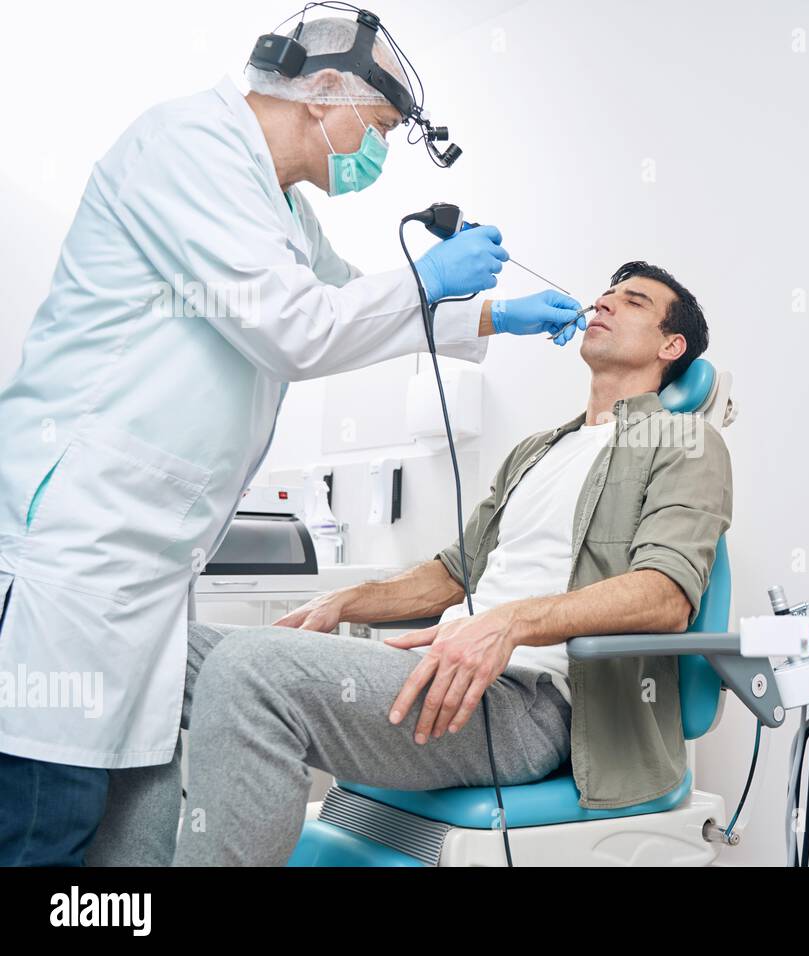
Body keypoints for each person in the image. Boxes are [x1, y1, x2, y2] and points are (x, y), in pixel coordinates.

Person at [0, 15, 585, 867]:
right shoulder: (189, 146)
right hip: (77, 550)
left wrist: (495, 313)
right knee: (44, 829)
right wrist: (429, 280)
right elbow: (296, 330)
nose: (376, 154)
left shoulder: (278, 204)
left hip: (142, 573)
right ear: (321, 96)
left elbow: (344, 297)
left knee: (119, 837)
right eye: (379, 130)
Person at [102, 260, 730, 865]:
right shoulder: (540, 450)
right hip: (447, 669)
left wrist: (507, 623)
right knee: (147, 651)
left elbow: (665, 597)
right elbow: (451, 573)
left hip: (531, 701)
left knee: (248, 669)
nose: (605, 301)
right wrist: (342, 603)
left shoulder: (684, 442)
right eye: (607, 293)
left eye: (634, 301)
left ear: (671, 346)